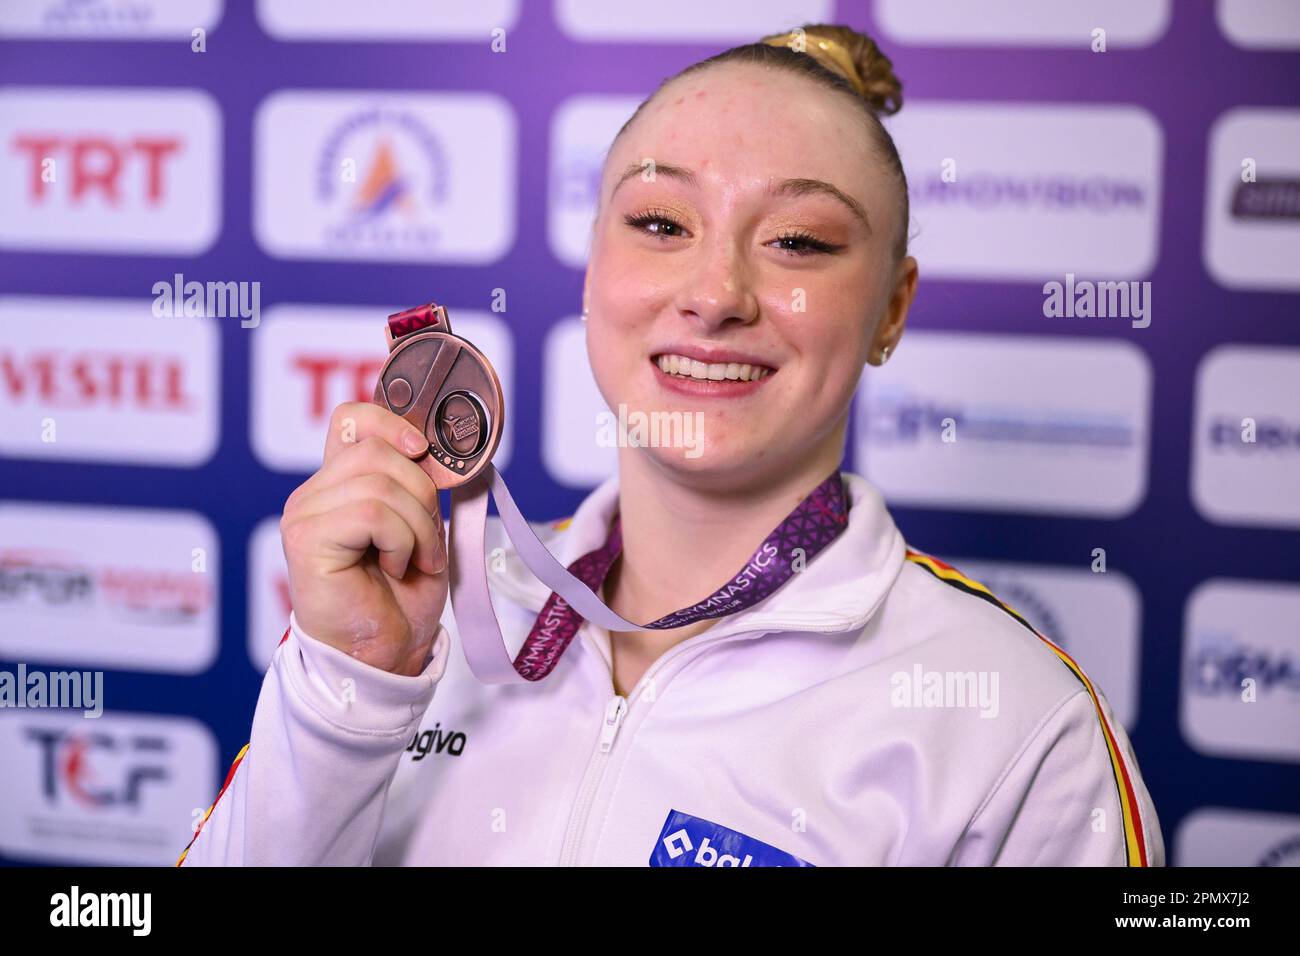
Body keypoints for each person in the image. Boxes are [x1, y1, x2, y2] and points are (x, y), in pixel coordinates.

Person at [178, 23, 1163, 867]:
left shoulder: (1023, 728)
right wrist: (351, 687)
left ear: (890, 309)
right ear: (592, 269)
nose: (714, 293)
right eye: (658, 223)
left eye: (799, 242)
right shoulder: (412, 626)